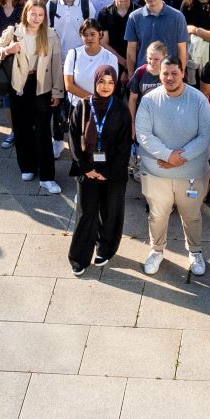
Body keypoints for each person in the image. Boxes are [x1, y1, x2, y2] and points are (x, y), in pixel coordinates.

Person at [134, 54, 210, 276]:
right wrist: (169, 155)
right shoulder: (149, 100)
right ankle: (156, 250)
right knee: (157, 215)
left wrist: (181, 157)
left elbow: (206, 134)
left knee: (192, 215)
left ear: (183, 74)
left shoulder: (198, 100)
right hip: (156, 172)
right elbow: (143, 134)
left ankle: (195, 251)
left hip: (192, 174)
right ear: (159, 75)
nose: (170, 78)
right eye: (165, 73)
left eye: (174, 73)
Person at [0, 0, 63, 194]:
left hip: (42, 85)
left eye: (41, 15)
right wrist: (8, 49)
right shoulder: (14, 31)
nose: (37, 18)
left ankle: (47, 176)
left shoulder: (50, 34)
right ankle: (27, 166)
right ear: (26, 13)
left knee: (43, 130)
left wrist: (57, 91)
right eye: (33, 14)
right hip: (19, 84)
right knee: (22, 127)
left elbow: (56, 65)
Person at [69, 67, 133, 276]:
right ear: (95, 82)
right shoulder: (82, 106)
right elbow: (73, 140)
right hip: (87, 169)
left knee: (111, 210)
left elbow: (124, 146)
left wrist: (108, 172)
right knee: (86, 212)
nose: (105, 86)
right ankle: (79, 256)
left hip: (112, 172)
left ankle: (105, 248)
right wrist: (87, 169)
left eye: (110, 82)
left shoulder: (122, 109)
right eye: (101, 82)